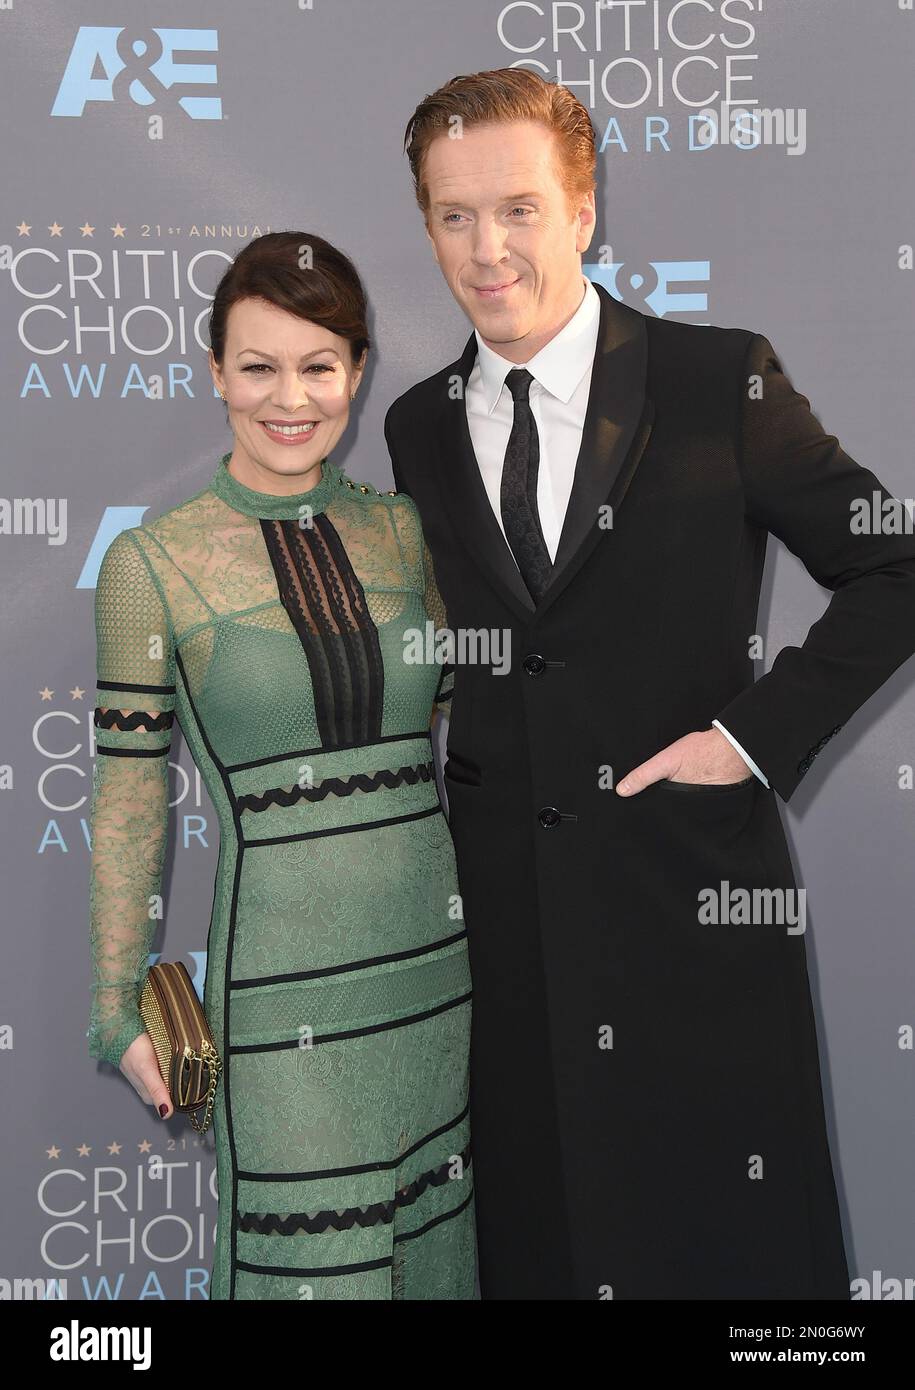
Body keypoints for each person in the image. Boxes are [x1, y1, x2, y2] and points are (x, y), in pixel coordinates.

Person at [383, 67, 915, 1299]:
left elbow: (892, 561)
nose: (487, 248)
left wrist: (752, 733)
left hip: (690, 909)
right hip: (506, 933)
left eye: (517, 208)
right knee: (537, 1250)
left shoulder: (715, 380)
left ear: (583, 208)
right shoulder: (415, 426)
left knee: (726, 1260)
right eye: (453, 216)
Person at [87, 231, 475, 1301]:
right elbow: (128, 802)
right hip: (280, 1008)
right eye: (257, 366)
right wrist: (118, 1008)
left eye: (319, 365)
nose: (288, 396)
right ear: (215, 372)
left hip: (438, 989)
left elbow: (468, 731)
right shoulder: (150, 566)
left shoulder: (404, 536)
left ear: (356, 370)